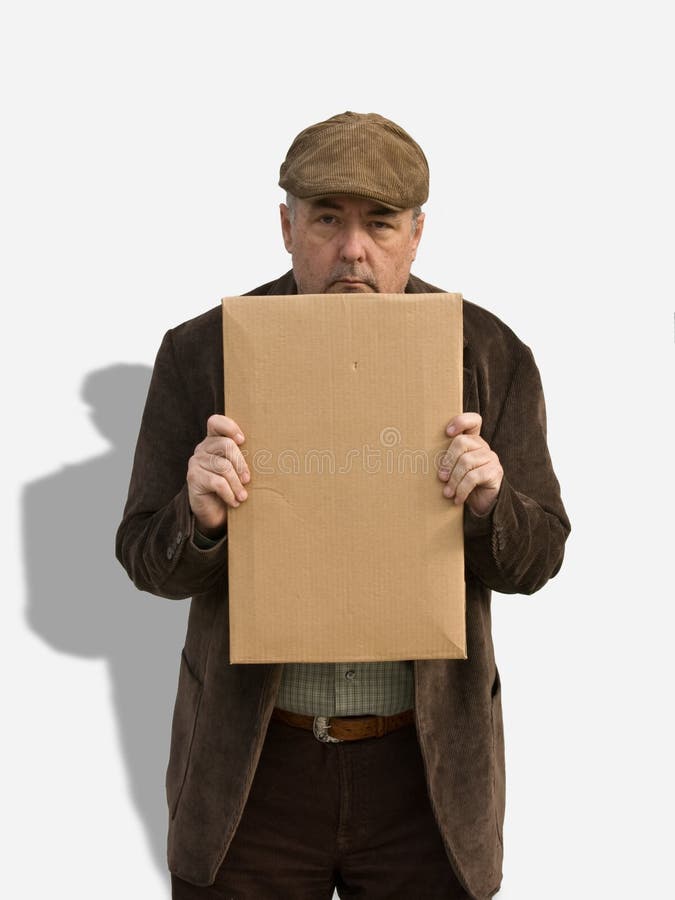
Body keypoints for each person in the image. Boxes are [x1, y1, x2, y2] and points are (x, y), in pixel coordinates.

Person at [116, 111, 570, 900]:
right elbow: (142, 559)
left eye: (379, 223)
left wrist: (493, 503)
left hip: (423, 776)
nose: (352, 250)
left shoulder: (488, 355)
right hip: (254, 773)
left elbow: (538, 560)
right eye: (327, 219)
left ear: (417, 234)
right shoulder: (201, 352)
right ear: (286, 225)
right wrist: (198, 519)